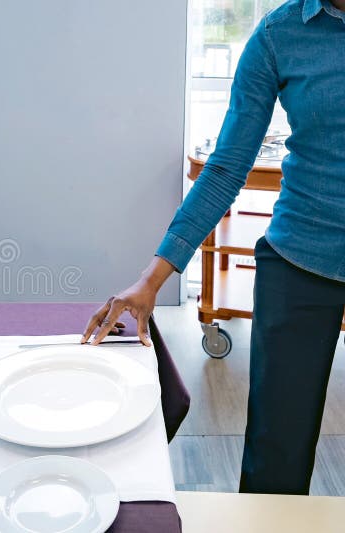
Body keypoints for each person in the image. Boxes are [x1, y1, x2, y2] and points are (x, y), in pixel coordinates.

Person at [81, 0, 345, 495]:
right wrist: (151, 279)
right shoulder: (278, 35)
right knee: (277, 456)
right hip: (298, 264)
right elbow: (225, 168)